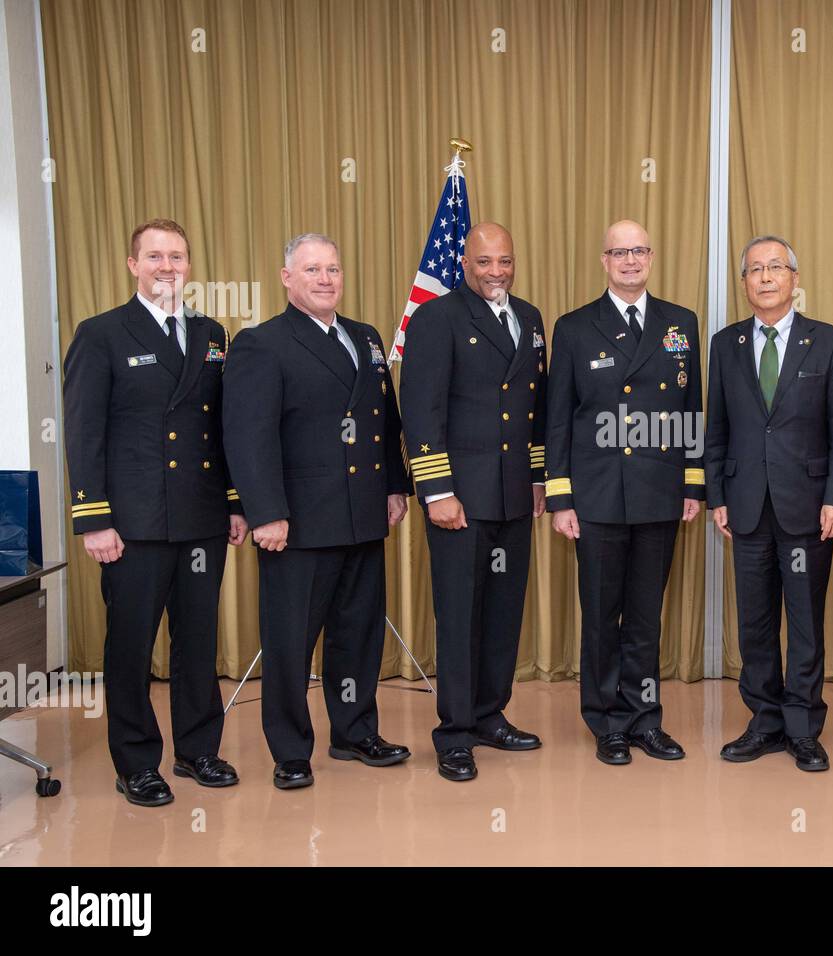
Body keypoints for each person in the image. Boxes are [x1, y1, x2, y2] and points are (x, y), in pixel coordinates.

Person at [63, 218, 245, 806]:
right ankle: (136, 763)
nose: (168, 267)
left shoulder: (212, 333)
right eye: (156, 257)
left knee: (196, 641)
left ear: (189, 266)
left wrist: (236, 504)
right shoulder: (101, 334)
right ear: (132, 265)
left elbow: (225, 430)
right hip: (132, 524)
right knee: (131, 646)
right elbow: (83, 433)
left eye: (178, 257)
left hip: (199, 518)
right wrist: (93, 517)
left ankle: (198, 751)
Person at [223, 233, 412, 790]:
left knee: (358, 634)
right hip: (297, 522)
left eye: (333, 269)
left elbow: (386, 421)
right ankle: (290, 749)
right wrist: (265, 512)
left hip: (361, 515)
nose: (325, 279)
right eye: (312, 270)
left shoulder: (365, 337)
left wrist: (395, 485)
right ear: (287, 278)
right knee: (289, 641)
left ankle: (355, 731)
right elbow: (248, 437)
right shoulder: (262, 343)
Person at [546, 220, 703, 765]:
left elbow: (691, 412)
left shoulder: (680, 323)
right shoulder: (574, 327)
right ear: (604, 260)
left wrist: (692, 483)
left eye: (638, 250)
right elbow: (558, 419)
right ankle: (606, 721)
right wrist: (560, 498)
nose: (630, 260)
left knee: (645, 615)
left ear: (651, 256)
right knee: (601, 614)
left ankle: (644, 719)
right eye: (619, 252)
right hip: (597, 497)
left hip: (659, 492)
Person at [400, 223, 547, 782]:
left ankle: (490, 714)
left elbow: (538, 407)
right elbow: (421, 410)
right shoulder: (436, 318)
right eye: (485, 262)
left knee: (503, 612)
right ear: (465, 262)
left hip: (512, 495)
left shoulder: (529, 319)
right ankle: (454, 732)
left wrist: (537, 480)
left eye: (505, 261)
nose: (496, 272)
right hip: (458, 498)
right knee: (459, 616)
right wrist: (437, 491)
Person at [704, 235, 833, 772]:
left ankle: (803, 727)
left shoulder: (829, 342)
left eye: (775, 268)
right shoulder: (725, 345)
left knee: (806, 619)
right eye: (754, 270)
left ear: (794, 278)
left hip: (810, 508)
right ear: (743, 282)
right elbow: (715, 429)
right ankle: (764, 721)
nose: (765, 278)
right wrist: (717, 496)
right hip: (745, 507)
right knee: (756, 621)